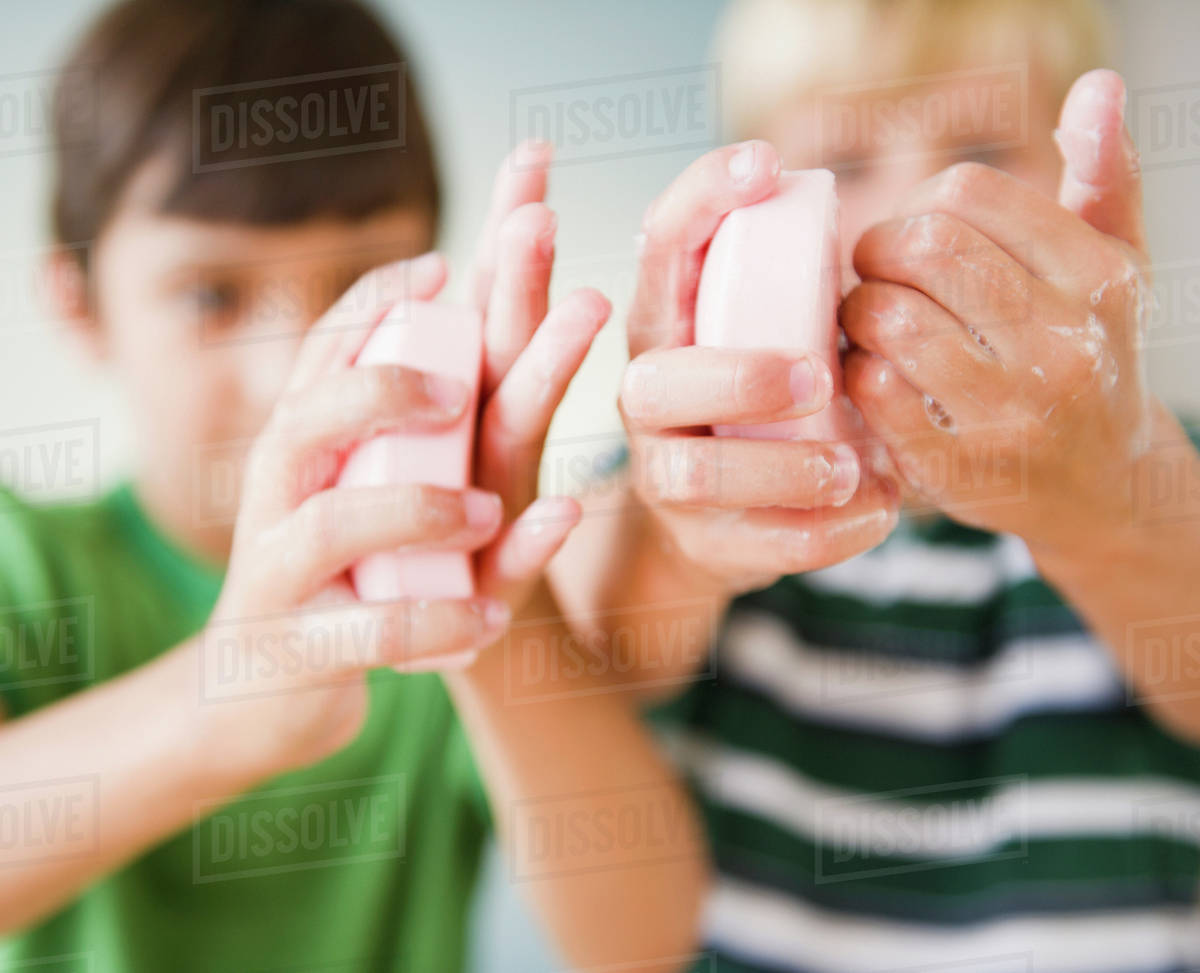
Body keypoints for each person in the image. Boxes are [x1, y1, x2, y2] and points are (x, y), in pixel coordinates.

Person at [0, 2, 703, 971]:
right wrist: (220, 707)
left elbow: (644, 937)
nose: (296, 363)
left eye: (363, 279)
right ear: (79, 308)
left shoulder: (427, 595)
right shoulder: (22, 562)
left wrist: (501, 609)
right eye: (213, 295)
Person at [552, 0, 1200, 970]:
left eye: (983, 147)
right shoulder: (708, 465)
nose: (918, 210)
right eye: (847, 167)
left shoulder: (1158, 465)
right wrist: (679, 543)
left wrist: (1101, 505)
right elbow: (595, 649)